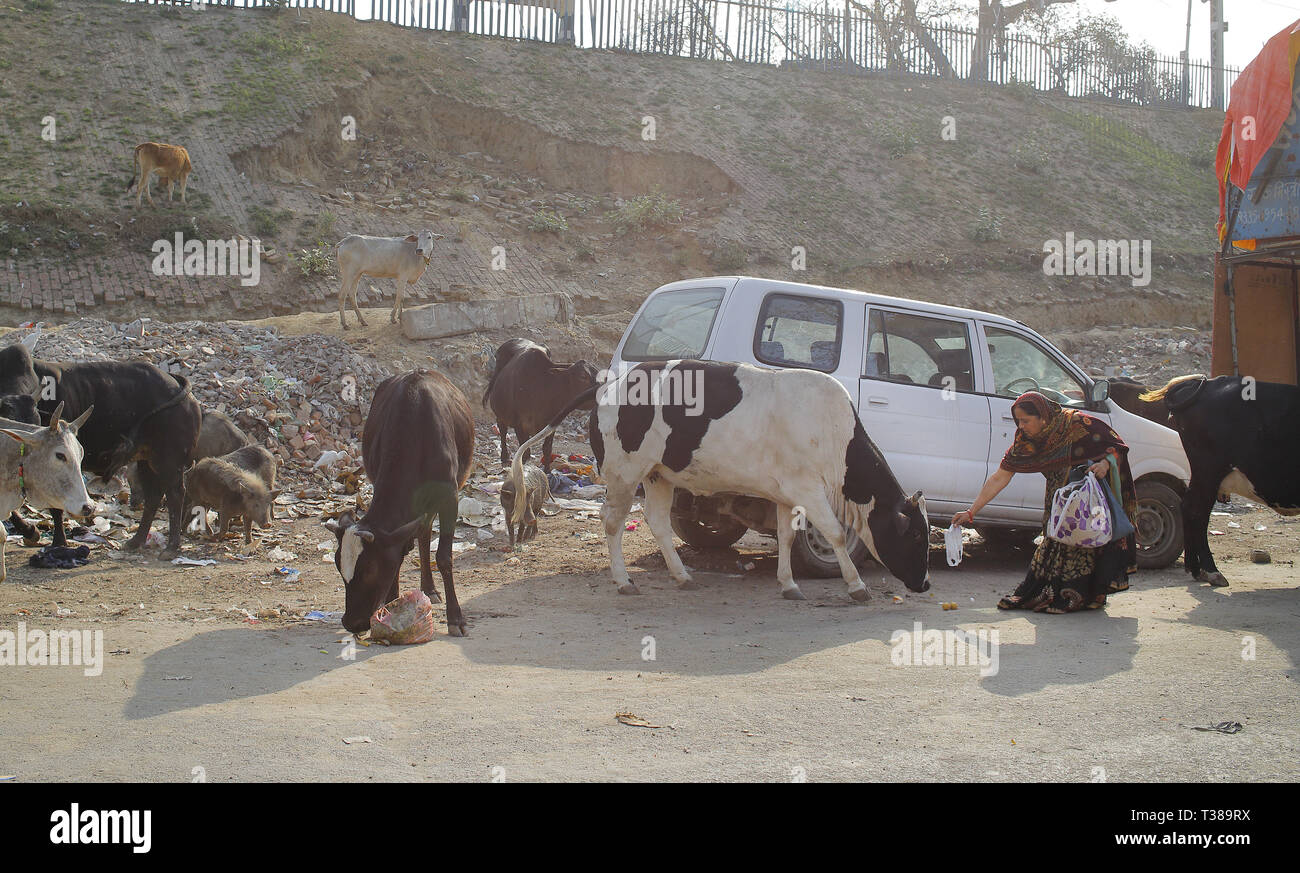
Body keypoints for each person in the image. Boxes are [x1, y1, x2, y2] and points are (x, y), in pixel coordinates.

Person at [951, 391, 1138, 613]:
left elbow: (1115, 445)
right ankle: (1055, 594)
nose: (1021, 427)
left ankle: (1077, 596)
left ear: (1043, 417)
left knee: (1081, 541)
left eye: (1026, 421)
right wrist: (972, 512)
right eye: (1018, 421)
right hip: (1058, 501)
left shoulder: (1077, 424)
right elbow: (1000, 477)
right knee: (1055, 538)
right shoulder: (1027, 441)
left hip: (1086, 499)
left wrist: (1105, 465)